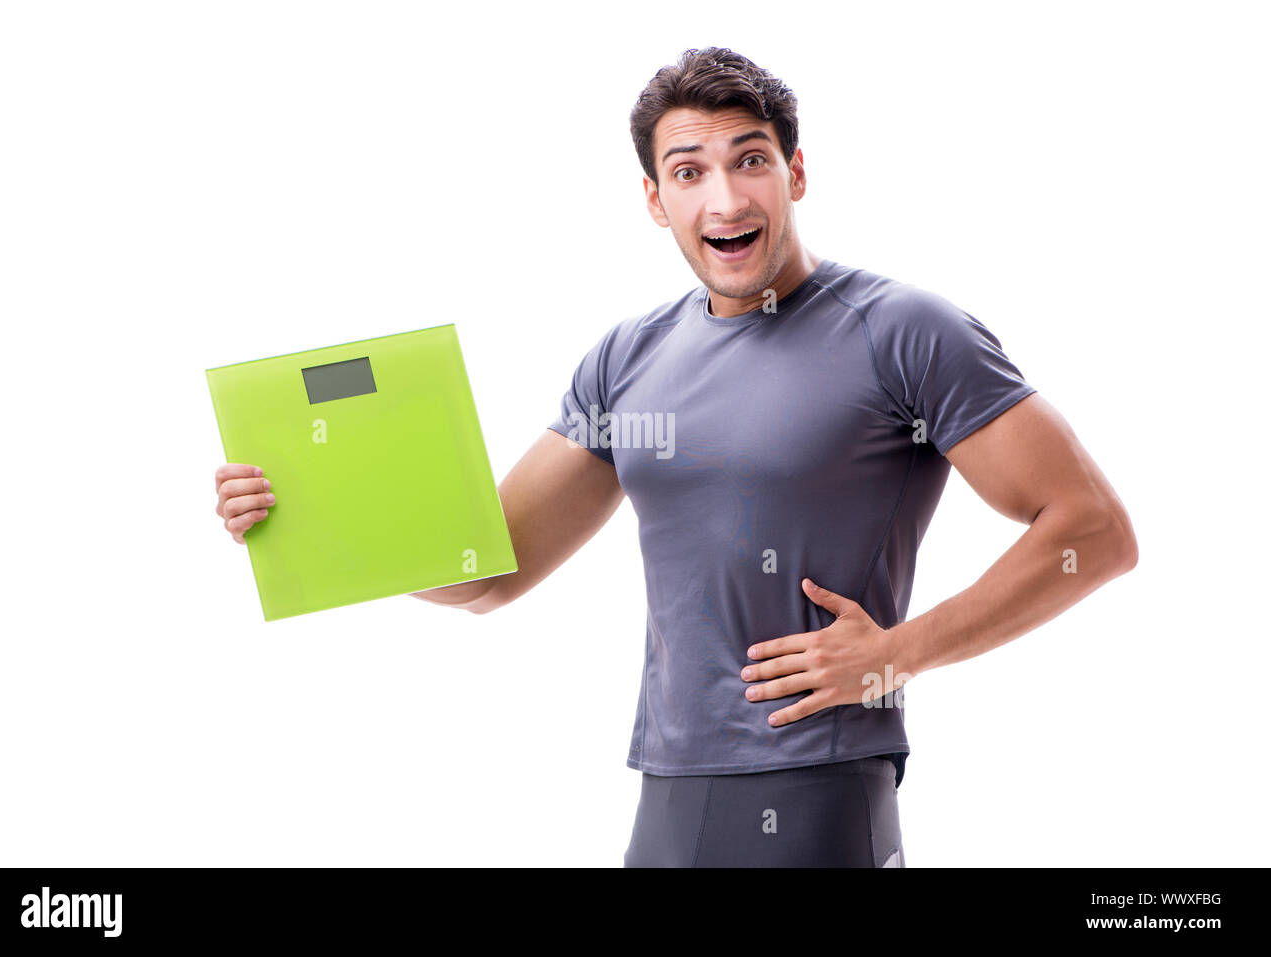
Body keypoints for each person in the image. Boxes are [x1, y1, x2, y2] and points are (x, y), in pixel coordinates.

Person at [213, 47, 1138, 867]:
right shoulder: (625, 359)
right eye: (689, 171)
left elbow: (1092, 530)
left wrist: (895, 655)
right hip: (667, 785)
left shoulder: (902, 331)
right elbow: (488, 572)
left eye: (751, 161)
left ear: (796, 172)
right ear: (656, 200)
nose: (726, 199)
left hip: (815, 778)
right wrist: (311, 509)